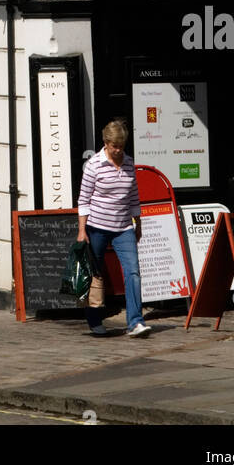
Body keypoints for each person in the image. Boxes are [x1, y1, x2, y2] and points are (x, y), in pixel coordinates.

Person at [77, 119, 151, 338]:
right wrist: (82, 230)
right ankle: (94, 319)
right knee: (96, 274)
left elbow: (134, 196)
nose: (118, 151)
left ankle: (135, 322)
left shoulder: (129, 163)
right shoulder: (94, 165)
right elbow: (84, 199)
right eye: (114, 146)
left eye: (121, 146)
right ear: (106, 143)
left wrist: (138, 224)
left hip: (123, 227)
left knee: (133, 271)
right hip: (97, 227)